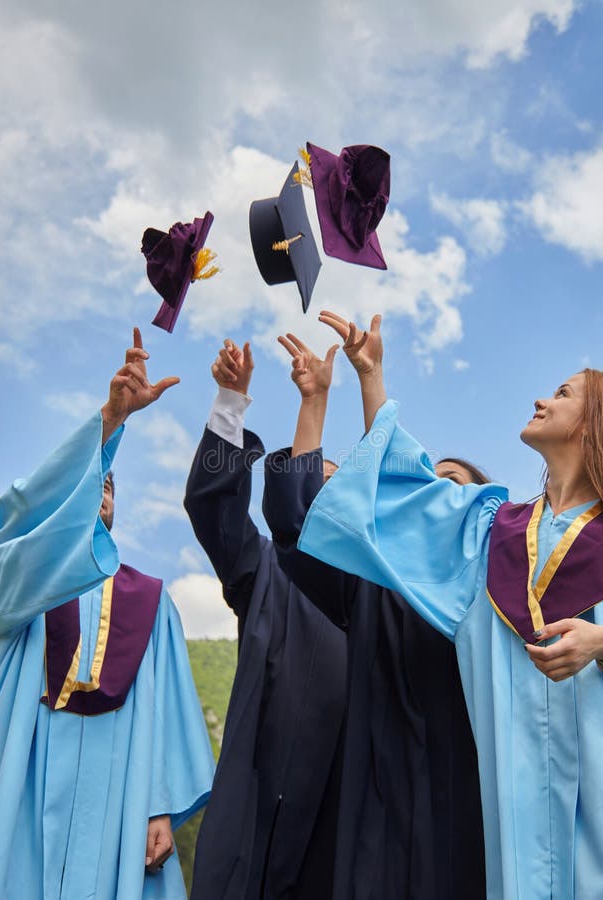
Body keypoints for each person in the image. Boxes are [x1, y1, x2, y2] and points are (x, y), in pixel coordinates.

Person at [297, 311, 603, 900]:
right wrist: (372, 378)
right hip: (511, 792)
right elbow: (408, 495)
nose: (542, 398)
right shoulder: (490, 533)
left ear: (598, 425)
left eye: (563, 393)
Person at [262, 332, 487, 899]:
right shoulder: (371, 584)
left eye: (453, 482)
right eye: (428, 475)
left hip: (465, 773)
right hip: (375, 783)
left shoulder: (492, 578)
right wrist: (316, 402)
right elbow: (299, 522)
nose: (434, 485)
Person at [0, 329, 215, 900]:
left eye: (108, 486)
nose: (100, 494)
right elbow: (23, 519)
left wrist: (161, 804)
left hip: (122, 782)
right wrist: (109, 422)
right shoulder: (24, 584)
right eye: (88, 485)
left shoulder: (152, 602)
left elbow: (169, 709)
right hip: (24, 769)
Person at [184, 339, 346, 900]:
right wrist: (230, 402)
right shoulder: (266, 573)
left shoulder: (385, 598)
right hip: (257, 813)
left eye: (333, 485)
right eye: (312, 482)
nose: (316, 494)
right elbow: (215, 508)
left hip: (347, 816)